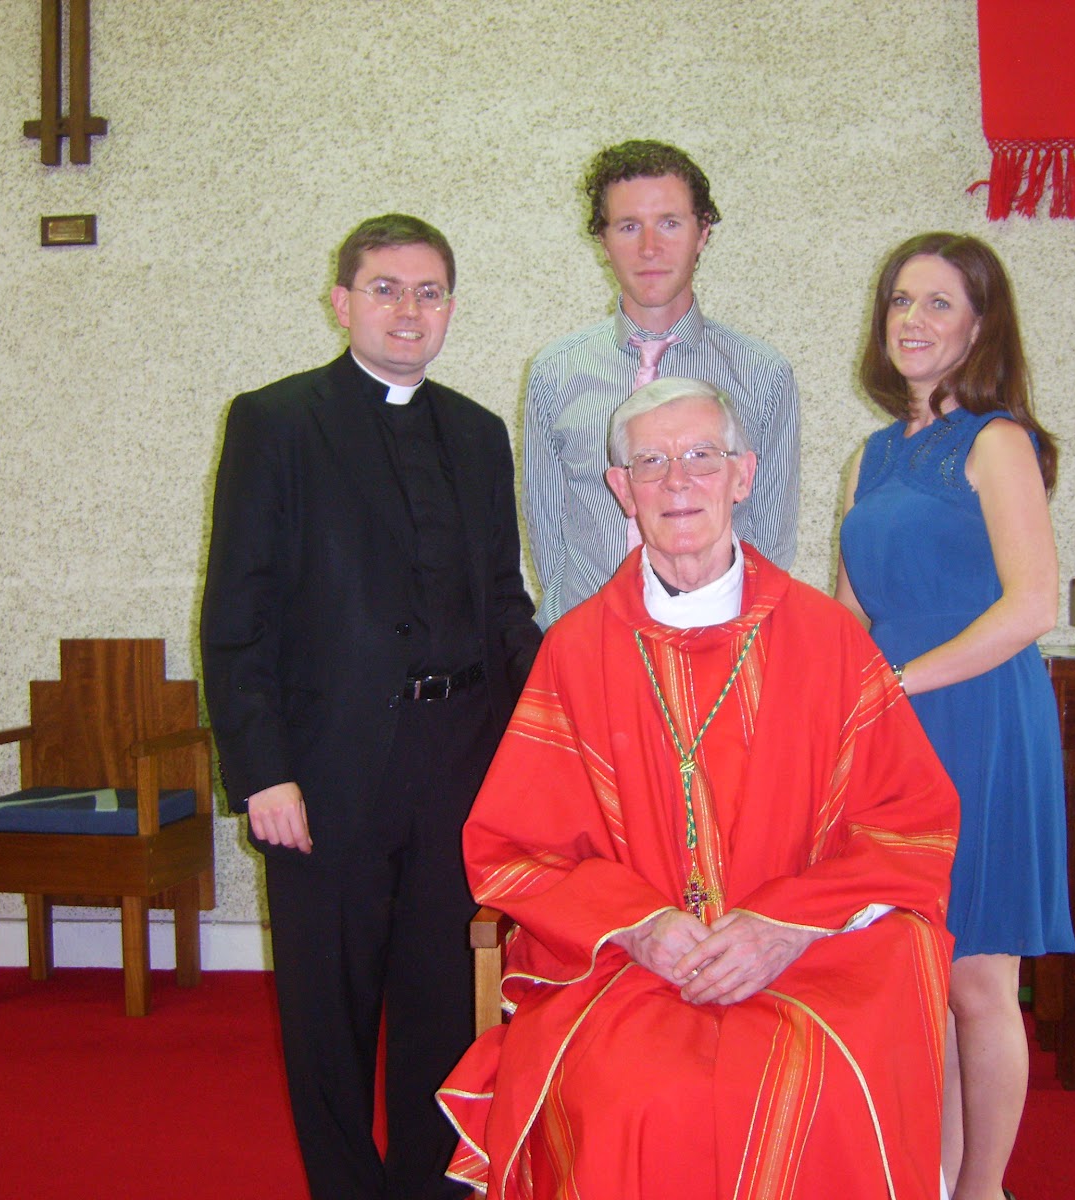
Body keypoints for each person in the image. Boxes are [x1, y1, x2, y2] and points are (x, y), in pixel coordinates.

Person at [438, 378, 959, 1200]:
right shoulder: (576, 651)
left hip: (809, 954)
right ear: (621, 489)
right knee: (634, 1098)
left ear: (743, 475)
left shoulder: (829, 643)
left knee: (808, 1081)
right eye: (651, 462)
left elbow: (910, 823)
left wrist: (786, 926)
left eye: (701, 457)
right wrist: (637, 924)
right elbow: (514, 846)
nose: (678, 481)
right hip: (630, 967)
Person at [201, 213, 542, 1200]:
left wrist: (568, 703)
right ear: (341, 301)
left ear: (449, 311)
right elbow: (237, 614)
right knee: (329, 1011)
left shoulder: (477, 434)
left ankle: (426, 1190)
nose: (408, 309)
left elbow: (502, 603)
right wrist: (261, 769)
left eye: (428, 292)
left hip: (457, 764)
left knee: (441, 998)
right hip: (324, 769)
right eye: (386, 289)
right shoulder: (276, 422)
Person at [835, 233, 1075, 1200]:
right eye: (901, 300)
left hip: (977, 718)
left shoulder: (996, 441)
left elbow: (1031, 607)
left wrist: (900, 685)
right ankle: (930, 1181)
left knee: (979, 981)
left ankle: (984, 1190)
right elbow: (848, 615)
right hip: (889, 728)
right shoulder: (872, 454)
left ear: (981, 325)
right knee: (913, 976)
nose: (913, 321)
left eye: (940, 304)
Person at [523, 139, 800, 627]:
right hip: (594, 646)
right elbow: (550, 538)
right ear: (603, 242)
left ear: (703, 233)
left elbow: (770, 539)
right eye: (629, 227)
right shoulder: (554, 372)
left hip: (718, 642)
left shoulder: (761, 375)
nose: (650, 248)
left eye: (670, 224)